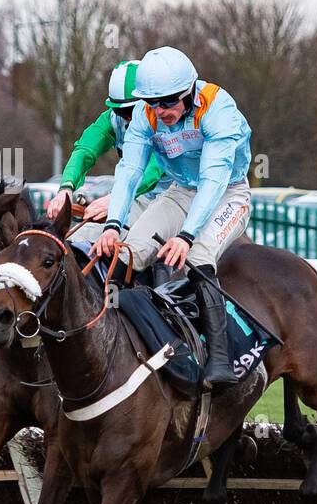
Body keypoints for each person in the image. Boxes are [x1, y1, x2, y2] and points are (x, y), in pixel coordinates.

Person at [90, 46, 253, 390]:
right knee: (126, 251)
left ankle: (220, 361)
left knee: (196, 256)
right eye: (152, 104)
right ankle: (106, 339)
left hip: (228, 192)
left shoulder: (218, 108)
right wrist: (112, 225)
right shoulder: (146, 115)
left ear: (188, 93)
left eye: (167, 103)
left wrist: (187, 235)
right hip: (181, 189)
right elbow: (130, 171)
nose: (159, 111)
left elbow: (212, 179)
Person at [45, 60, 167, 241]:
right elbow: (84, 151)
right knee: (75, 238)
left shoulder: (166, 120)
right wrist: (66, 188)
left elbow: (153, 170)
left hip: (169, 196)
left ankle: (162, 268)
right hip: (134, 196)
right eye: (121, 111)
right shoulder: (111, 120)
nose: (127, 118)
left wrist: (115, 199)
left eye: (133, 110)